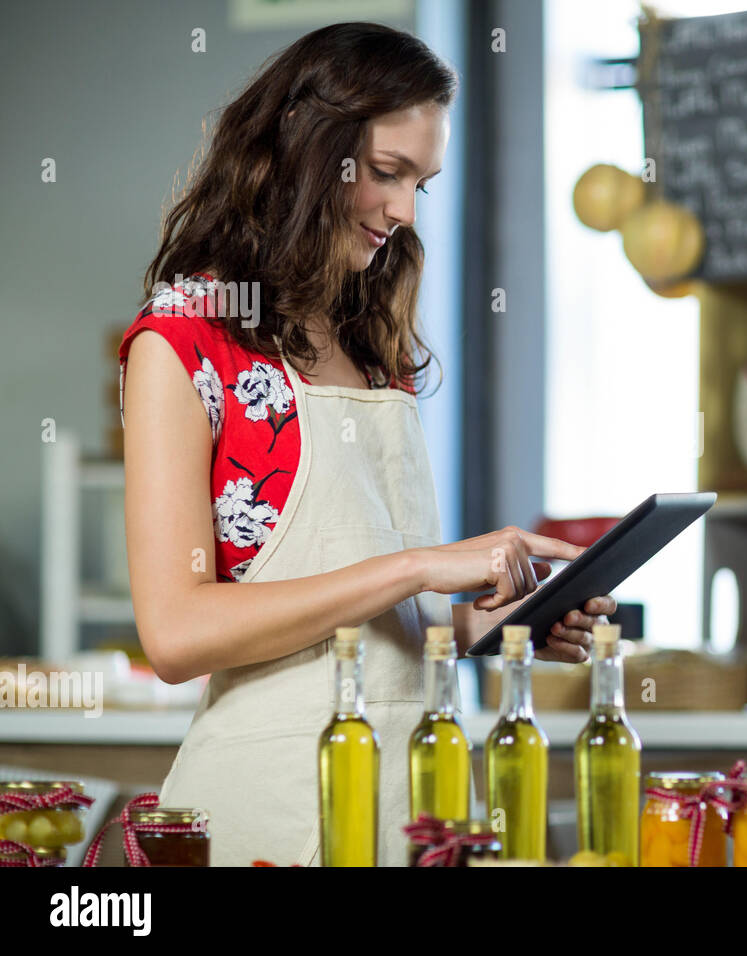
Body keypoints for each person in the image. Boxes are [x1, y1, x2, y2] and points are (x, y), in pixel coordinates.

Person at [118, 22, 613, 866]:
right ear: (307, 150)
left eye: (422, 182)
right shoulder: (186, 342)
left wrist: (479, 623)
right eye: (387, 174)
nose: (403, 211)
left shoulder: (372, 346)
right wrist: (421, 566)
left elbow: (374, 619)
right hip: (273, 811)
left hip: (414, 806)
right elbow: (175, 634)